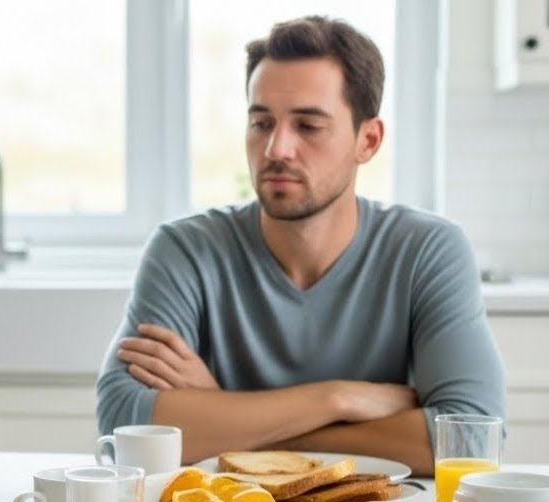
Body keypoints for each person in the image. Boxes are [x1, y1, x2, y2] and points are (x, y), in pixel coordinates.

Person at [95, 16, 504, 476]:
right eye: (261, 122)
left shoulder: (427, 249)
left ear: (367, 140)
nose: (276, 148)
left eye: (308, 126)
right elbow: (123, 423)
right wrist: (339, 399)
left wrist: (222, 414)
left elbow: (470, 439)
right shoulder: (186, 249)